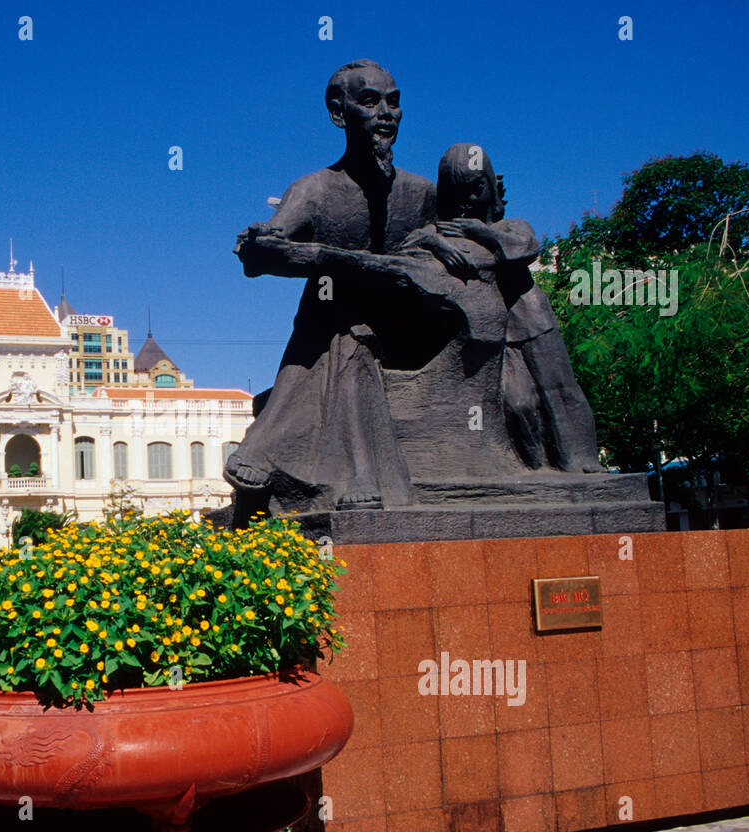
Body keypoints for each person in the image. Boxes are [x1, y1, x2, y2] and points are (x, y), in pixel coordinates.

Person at [226, 60, 469, 518]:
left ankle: (261, 448)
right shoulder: (314, 190)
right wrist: (349, 263)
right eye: (370, 101)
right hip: (346, 329)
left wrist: (335, 261)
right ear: (339, 114)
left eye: (393, 102)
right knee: (342, 317)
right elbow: (262, 255)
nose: (386, 113)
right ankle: (359, 472)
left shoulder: (420, 194)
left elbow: (448, 267)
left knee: (340, 305)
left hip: (416, 332)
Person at [432, 143, 602, 472]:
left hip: (533, 319)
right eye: (461, 191)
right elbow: (416, 240)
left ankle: (582, 460)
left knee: (560, 389)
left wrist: (481, 233)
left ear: (491, 186)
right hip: (495, 328)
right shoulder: (450, 230)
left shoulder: (512, 226)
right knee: (518, 401)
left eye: (477, 188)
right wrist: (436, 241)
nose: (469, 200)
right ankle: (538, 470)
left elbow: (524, 249)